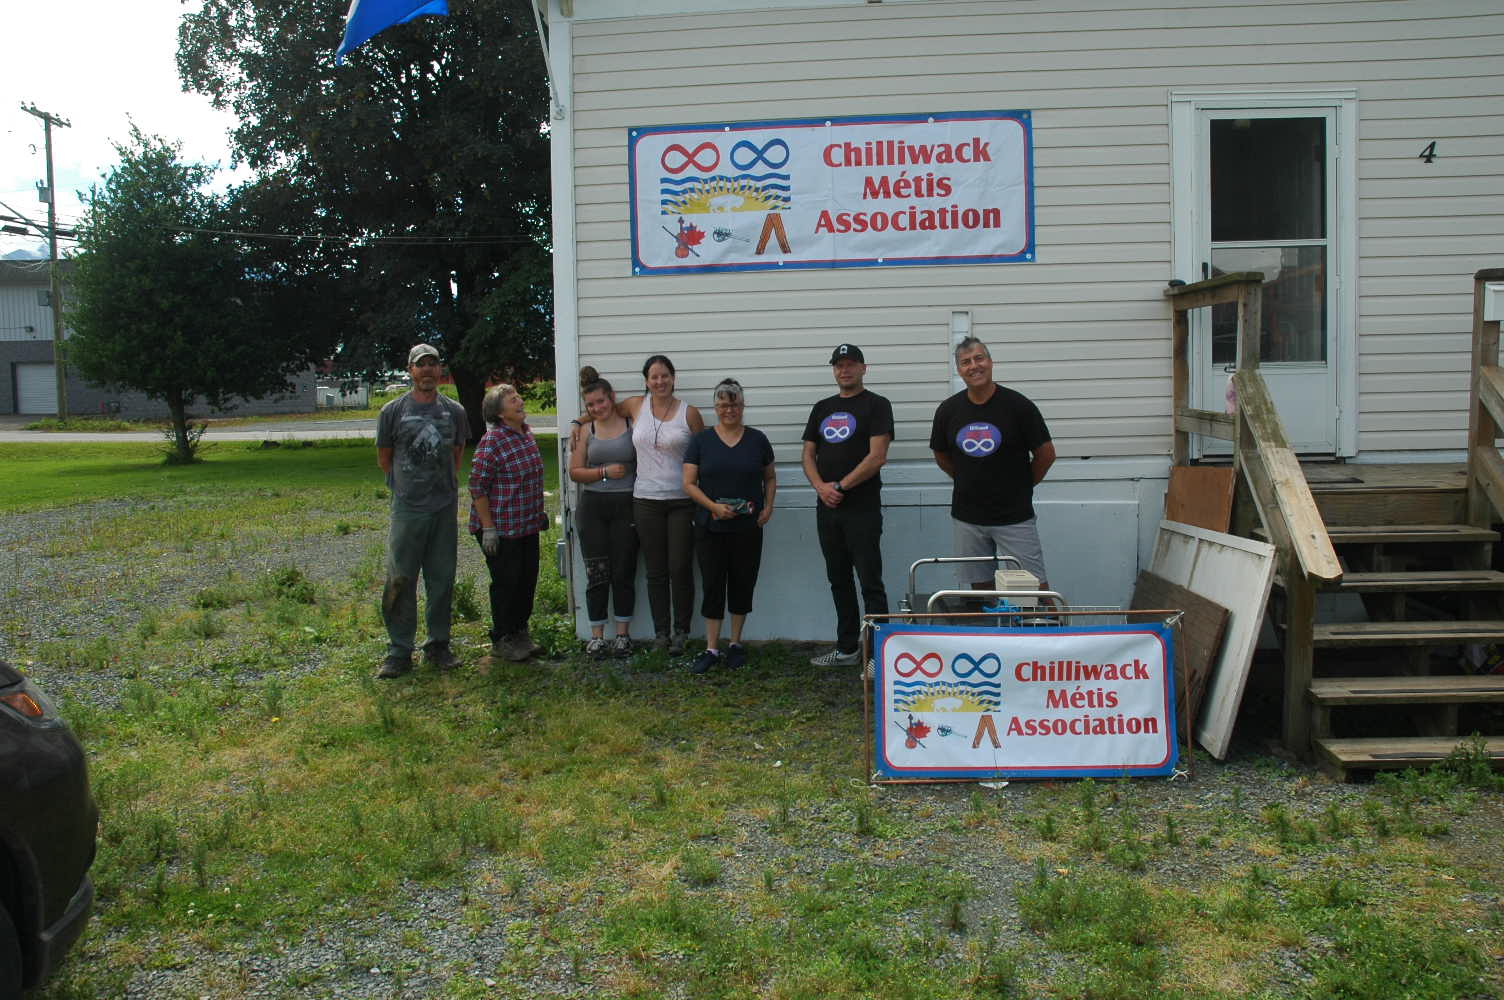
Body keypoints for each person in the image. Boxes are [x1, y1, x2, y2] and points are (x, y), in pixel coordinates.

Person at [574, 355, 704, 654]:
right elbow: (600, 412)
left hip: (682, 501)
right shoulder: (635, 405)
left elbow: (702, 454)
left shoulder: (690, 414)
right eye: (654, 377)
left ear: (673, 377)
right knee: (655, 570)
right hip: (644, 500)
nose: (659, 381)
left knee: (680, 567)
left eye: (665, 376)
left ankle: (681, 631)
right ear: (646, 381)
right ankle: (661, 633)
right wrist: (576, 422)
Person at [929, 336, 1056, 594]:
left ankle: (1049, 631)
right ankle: (990, 633)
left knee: (1034, 591)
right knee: (980, 593)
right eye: (965, 362)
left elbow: (1046, 454)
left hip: (1014, 517)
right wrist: (966, 480)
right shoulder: (948, 410)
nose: (973, 366)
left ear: (990, 362)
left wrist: (1022, 485)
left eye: (979, 358)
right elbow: (941, 455)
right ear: (959, 369)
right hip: (967, 518)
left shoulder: (1019, 406)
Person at [375, 343, 470, 678]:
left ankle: (438, 646)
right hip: (408, 508)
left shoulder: (455, 411)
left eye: (433, 364)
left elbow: (457, 455)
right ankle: (399, 651)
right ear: (410, 370)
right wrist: (407, 487)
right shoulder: (392, 412)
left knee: (441, 579)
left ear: (440, 370)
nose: (428, 370)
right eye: (421, 365)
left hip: (443, 507)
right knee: (401, 578)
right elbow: (385, 458)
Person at [802, 344, 894, 667]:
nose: (845, 370)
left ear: (863, 369)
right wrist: (820, 487)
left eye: (851, 364)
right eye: (839, 365)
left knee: (870, 580)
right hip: (827, 508)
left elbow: (877, 456)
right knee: (837, 578)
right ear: (834, 370)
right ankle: (847, 647)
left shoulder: (877, 406)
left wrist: (841, 486)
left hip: (862, 508)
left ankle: (877, 653)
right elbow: (808, 453)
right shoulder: (822, 408)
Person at [682, 379, 776, 674]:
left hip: (748, 528)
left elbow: (769, 478)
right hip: (710, 527)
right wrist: (713, 508)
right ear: (716, 408)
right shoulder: (701, 442)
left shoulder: (758, 440)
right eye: (723, 404)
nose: (729, 409)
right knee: (712, 585)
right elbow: (688, 484)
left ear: (743, 406)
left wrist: (769, 506)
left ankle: (735, 643)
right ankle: (711, 647)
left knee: (741, 583)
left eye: (734, 403)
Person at [469, 383, 549, 662]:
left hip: (527, 525)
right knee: (507, 582)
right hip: (502, 529)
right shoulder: (493, 441)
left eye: (518, 397)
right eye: (512, 400)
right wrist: (488, 528)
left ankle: (520, 633)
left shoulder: (525, 434)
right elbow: (477, 487)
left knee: (527, 580)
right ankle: (503, 638)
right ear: (500, 414)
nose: (520, 402)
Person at [566, 367, 638, 659]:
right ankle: (596, 636)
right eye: (591, 405)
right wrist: (603, 472)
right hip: (593, 506)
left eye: (601, 402)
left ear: (612, 398)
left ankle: (622, 635)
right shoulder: (586, 430)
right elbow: (575, 472)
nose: (597, 408)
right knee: (597, 572)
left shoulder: (632, 423)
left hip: (627, 504)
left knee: (624, 570)